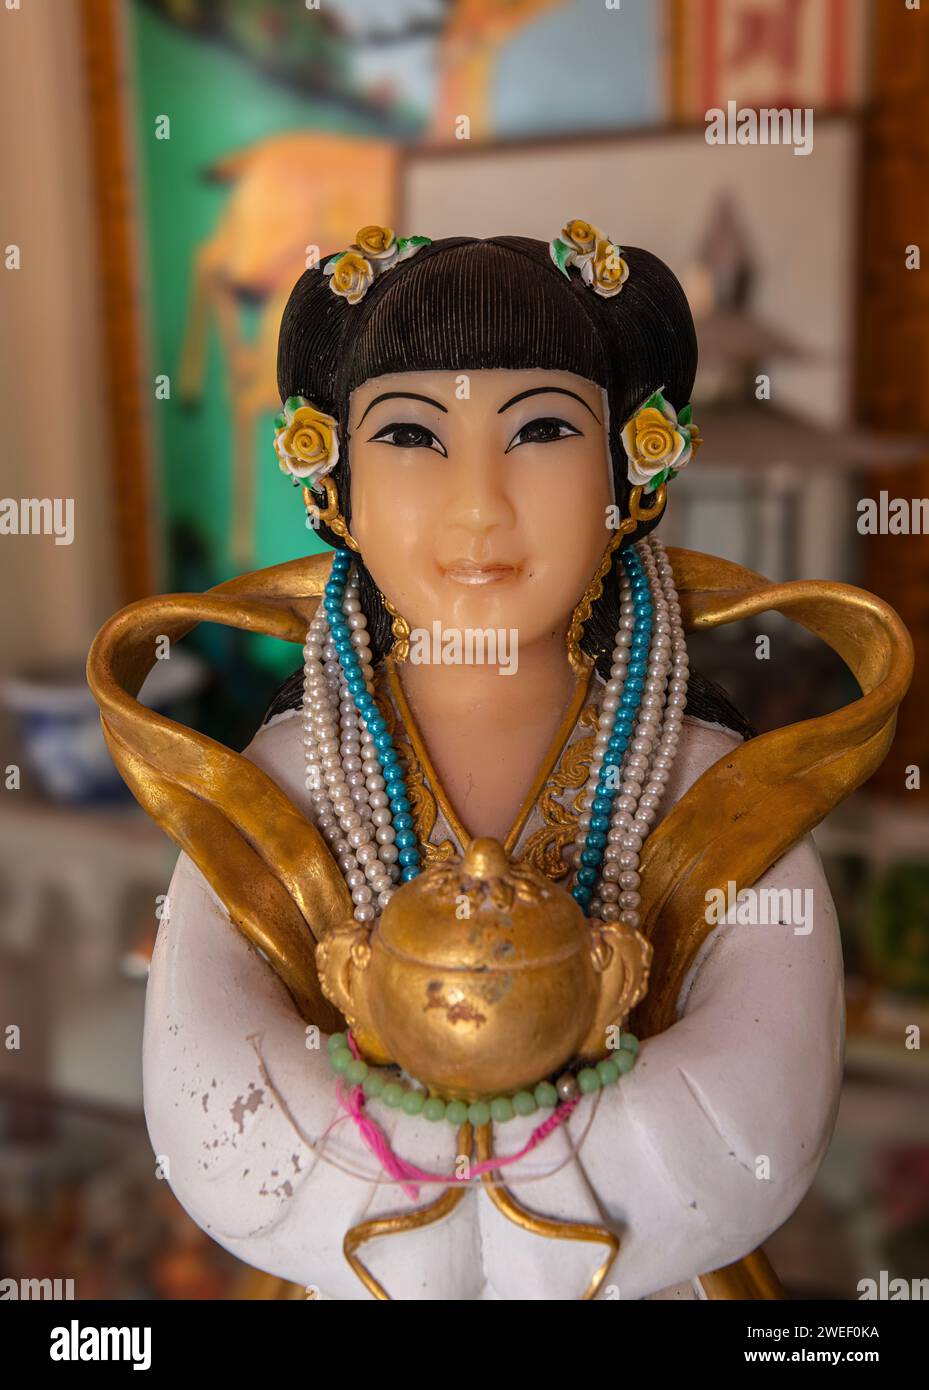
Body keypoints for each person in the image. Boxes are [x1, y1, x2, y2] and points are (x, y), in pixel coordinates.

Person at [88, 224, 911, 1299]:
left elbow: (761, 1097)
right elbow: (209, 1078)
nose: (479, 504)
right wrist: (410, 1186)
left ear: (630, 477)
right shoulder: (289, 772)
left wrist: (514, 1188)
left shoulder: (705, 781)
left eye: (538, 431)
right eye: (413, 438)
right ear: (332, 489)